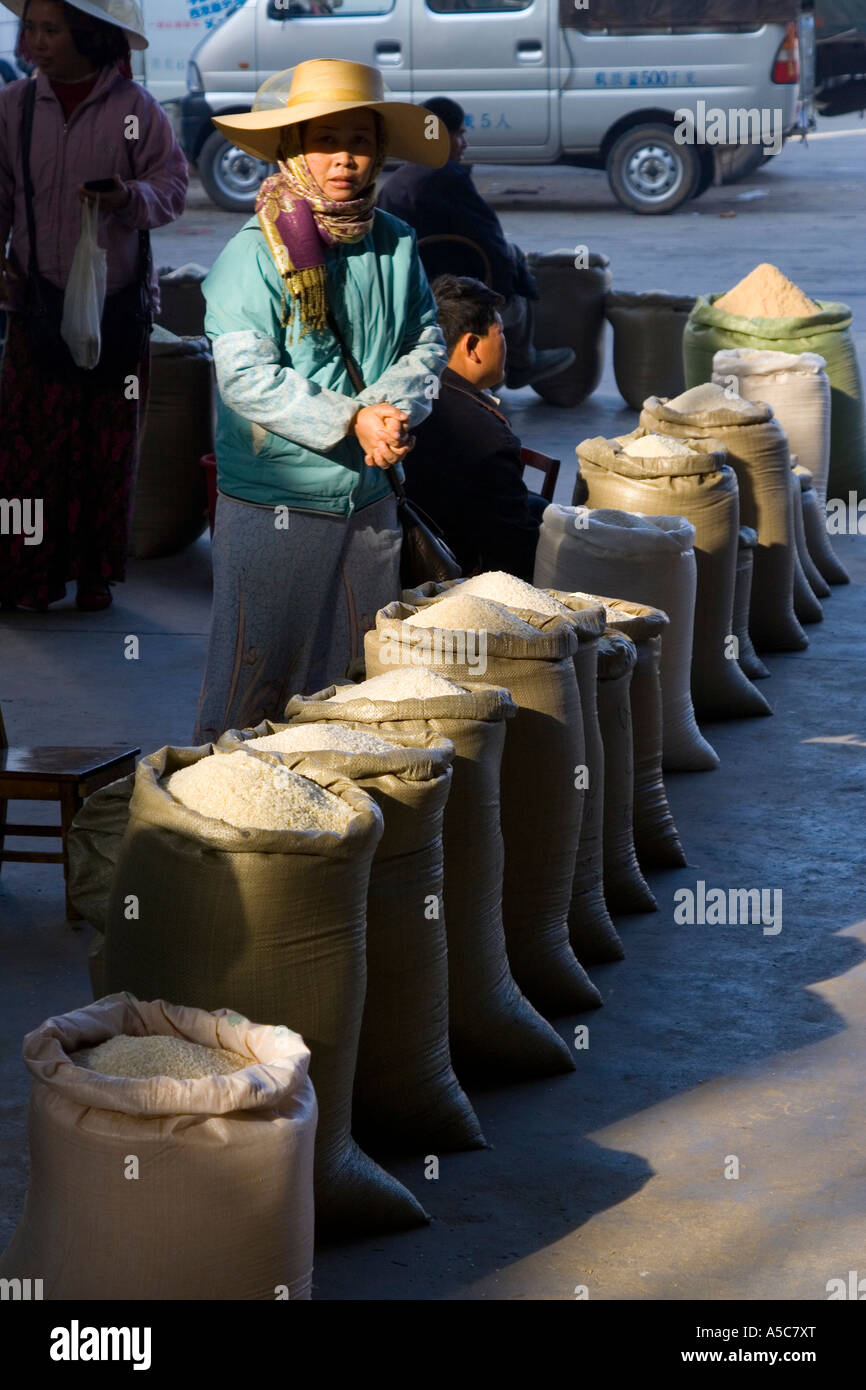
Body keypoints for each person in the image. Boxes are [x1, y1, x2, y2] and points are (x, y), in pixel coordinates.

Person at [192, 59, 450, 745]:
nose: (344, 158)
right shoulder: (252, 256)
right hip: (277, 502)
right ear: (291, 148)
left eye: (360, 141)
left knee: (357, 684)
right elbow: (246, 376)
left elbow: (427, 342)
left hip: (371, 495)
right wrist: (352, 419)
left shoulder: (395, 243)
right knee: (255, 681)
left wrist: (390, 412)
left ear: (380, 151)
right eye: (324, 139)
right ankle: (225, 835)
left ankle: (338, 838)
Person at [0, 0, 188, 611]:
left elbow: (171, 189)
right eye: (31, 28)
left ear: (89, 34)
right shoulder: (16, 107)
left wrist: (126, 196)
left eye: (50, 29)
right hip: (35, 304)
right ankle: (26, 575)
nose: (35, 42)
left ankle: (95, 575)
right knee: (26, 453)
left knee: (103, 451)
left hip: (116, 313)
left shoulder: (136, 112)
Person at [377, 95, 574, 393]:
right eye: (460, 134)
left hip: (407, 295)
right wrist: (508, 294)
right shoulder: (448, 176)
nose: (465, 143)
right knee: (514, 266)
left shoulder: (396, 182)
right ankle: (521, 363)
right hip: (446, 298)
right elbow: (491, 242)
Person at [403, 275, 547, 583]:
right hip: (456, 578)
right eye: (500, 333)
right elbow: (513, 551)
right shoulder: (488, 436)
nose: (505, 343)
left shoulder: (402, 397)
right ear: (471, 346)